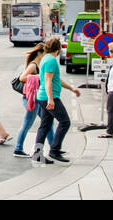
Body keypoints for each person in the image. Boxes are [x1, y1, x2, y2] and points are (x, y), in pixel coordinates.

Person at [33, 35, 80, 164]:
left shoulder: (46, 58)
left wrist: (71, 88)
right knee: (65, 122)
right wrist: (51, 99)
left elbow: (55, 79)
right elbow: (47, 80)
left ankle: (38, 154)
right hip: (49, 97)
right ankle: (54, 150)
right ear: (58, 49)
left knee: (45, 125)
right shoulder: (51, 60)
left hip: (43, 96)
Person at [13, 44, 54, 157]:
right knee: (27, 124)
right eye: (45, 53)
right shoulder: (33, 65)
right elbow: (22, 78)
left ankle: (54, 148)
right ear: (40, 53)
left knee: (48, 123)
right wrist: (39, 77)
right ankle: (18, 149)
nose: (47, 55)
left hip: (37, 99)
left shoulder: (40, 64)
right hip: (31, 99)